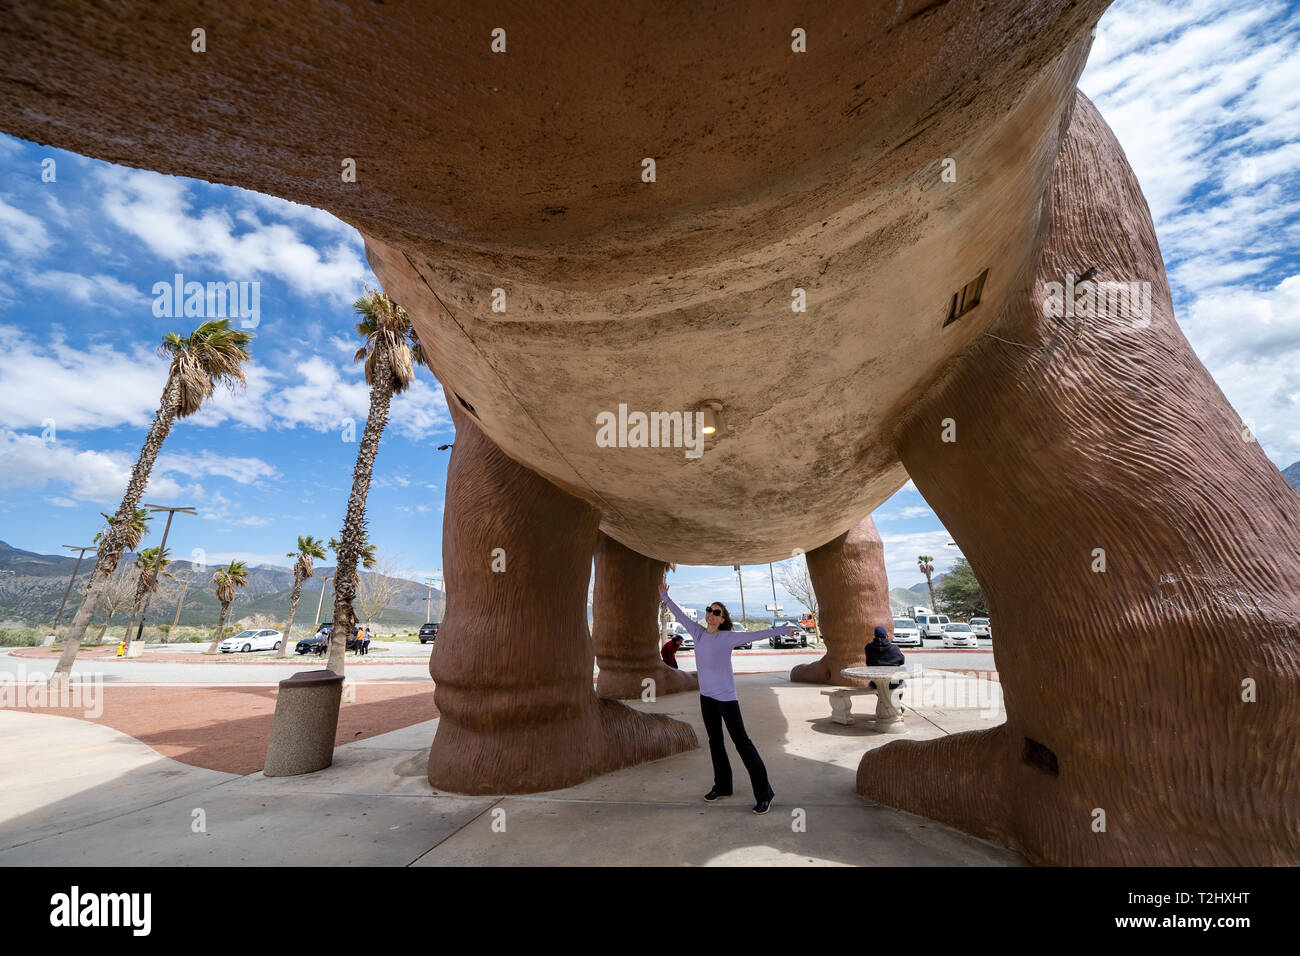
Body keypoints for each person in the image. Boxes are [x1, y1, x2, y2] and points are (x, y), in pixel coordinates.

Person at [657, 582, 799, 814]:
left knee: (742, 742)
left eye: (716, 612)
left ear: (722, 619)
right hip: (707, 698)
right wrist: (665, 596)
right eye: (708, 610)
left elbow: (756, 633)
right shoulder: (697, 632)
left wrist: (783, 630)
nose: (710, 614)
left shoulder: (727, 637)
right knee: (715, 742)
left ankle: (765, 794)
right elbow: (680, 615)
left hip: (726, 699)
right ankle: (723, 786)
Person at [864, 624, 906, 703]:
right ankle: (894, 703)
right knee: (902, 683)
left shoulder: (868, 648)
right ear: (886, 636)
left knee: (876, 685)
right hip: (893, 682)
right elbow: (902, 661)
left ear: (874, 636)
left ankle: (886, 703)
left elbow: (868, 663)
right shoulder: (894, 648)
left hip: (876, 682)